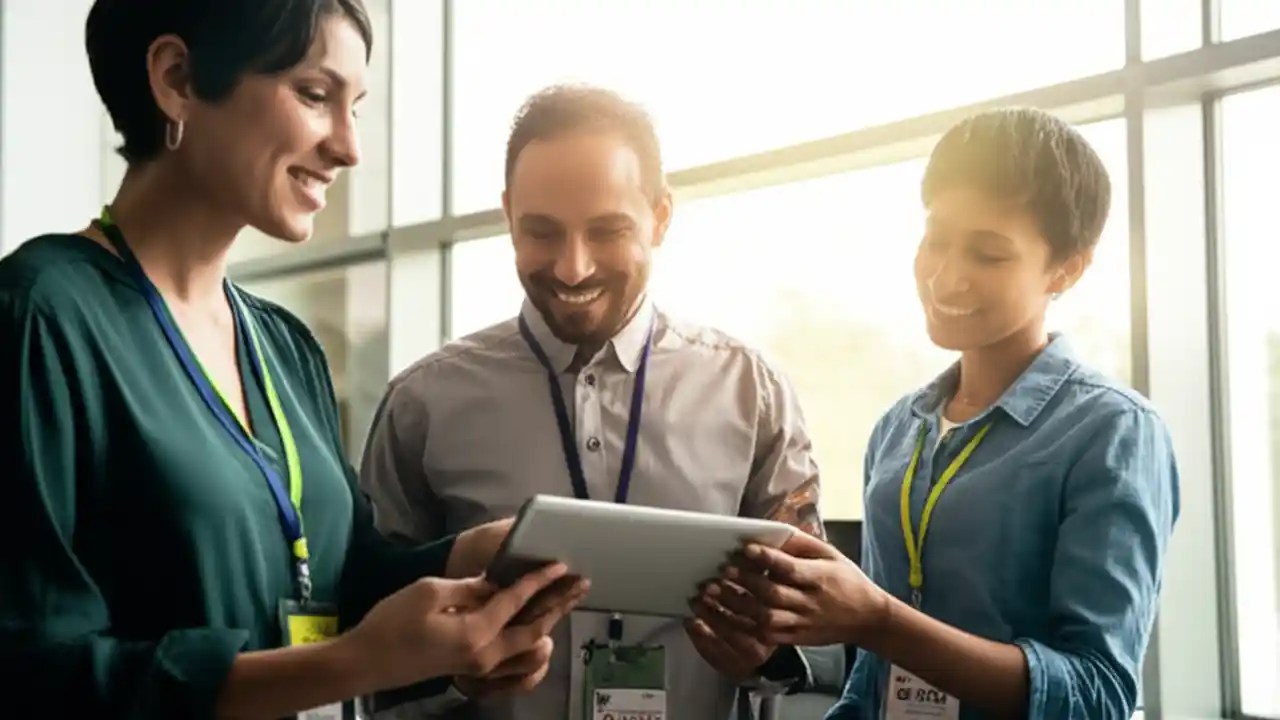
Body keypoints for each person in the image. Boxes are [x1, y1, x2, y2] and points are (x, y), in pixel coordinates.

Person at [0, 2, 587, 718]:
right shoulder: (41, 315)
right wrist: (353, 662)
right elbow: (30, 671)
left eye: (357, 108)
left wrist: (473, 561)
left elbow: (336, 577)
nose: (348, 147)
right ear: (177, 78)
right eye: (315, 96)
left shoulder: (282, 344)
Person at [359, 84, 828, 720]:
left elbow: (817, 632)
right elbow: (363, 625)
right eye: (542, 232)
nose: (573, 268)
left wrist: (765, 656)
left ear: (661, 218)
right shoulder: (422, 403)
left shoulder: (751, 393)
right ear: (507, 215)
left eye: (607, 231)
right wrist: (452, 676)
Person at [701, 107, 1181, 719]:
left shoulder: (1113, 432)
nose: (946, 276)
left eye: (988, 254)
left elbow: (1096, 695)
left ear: (1068, 266)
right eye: (936, 240)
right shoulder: (898, 430)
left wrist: (876, 619)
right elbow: (874, 685)